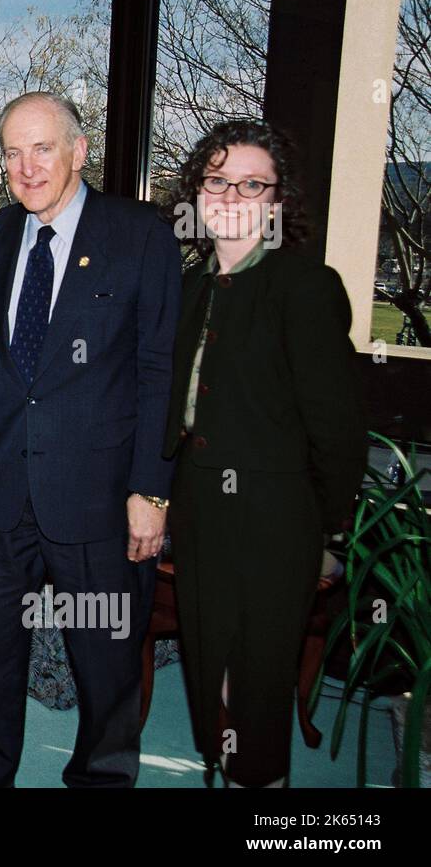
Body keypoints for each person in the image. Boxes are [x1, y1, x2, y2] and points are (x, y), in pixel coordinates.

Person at [0, 91, 182, 787]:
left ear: (80, 151)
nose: (26, 168)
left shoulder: (140, 234)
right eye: (13, 153)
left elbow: (159, 371)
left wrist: (151, 490)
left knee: (107, 662)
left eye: (42, 149)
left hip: (100, 500)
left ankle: (101, 779)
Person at [162, 120, 365, 788]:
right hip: (198, 517)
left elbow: (337, 430)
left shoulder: (305, 287)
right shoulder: (193, 286)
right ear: (197, 191)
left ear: (278, 201)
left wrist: (322, 530)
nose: (232, 195)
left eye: (253, 184)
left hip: (275, 525)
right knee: (210, 672)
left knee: (257, 685)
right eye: (217, 180)